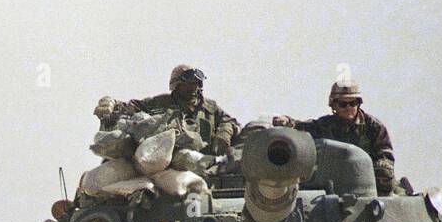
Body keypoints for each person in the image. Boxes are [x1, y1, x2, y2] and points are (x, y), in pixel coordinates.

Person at [273, 80, 396, 195]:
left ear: (358, 104)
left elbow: (385, 157)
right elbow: (303, 127)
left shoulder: (374, 128)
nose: (348, 108)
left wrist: (379, 170)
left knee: (384, 173)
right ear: (334, 105)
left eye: (353, 103)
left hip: (367, 186)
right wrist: (287, 122)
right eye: (343, 104)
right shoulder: (325, 125)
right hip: (335, 184)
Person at [95, 65, 240, 155]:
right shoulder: (160, 103)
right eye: (188, 85)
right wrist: (110, 105)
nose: (194, 88)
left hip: (207, 159)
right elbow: (131, 107)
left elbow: (230, 121)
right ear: (176, 86)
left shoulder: (210, 107)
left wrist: (224, 134)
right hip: (169, 157)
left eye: (196, 84)